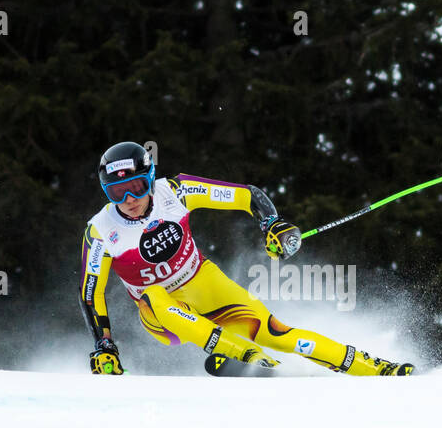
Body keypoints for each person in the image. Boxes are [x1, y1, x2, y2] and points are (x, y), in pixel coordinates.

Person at [79, 141, 414, 376]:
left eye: (136, 186)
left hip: (203, 284)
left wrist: (272, 224)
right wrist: (104, 345)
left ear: (150, 178)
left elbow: (247, 195)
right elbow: (90, 294)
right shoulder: (100, 230)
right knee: (153, 295)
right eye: (116, 192)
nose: (129, 199)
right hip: (161, 313)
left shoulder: (177, 192)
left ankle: (374, 368)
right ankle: (243, 354)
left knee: (277, 333)